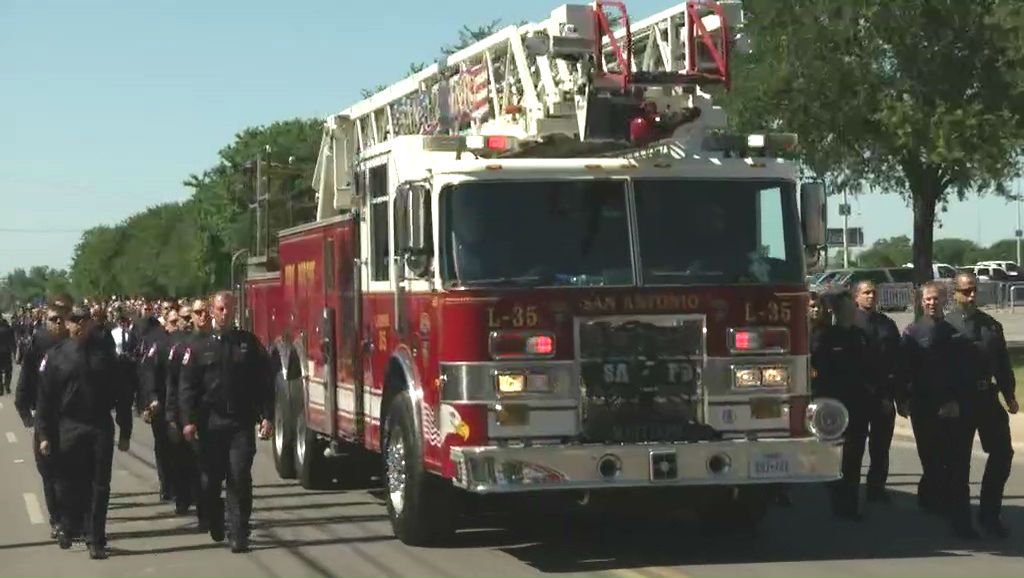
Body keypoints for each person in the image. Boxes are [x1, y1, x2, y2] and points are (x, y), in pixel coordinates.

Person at [36, 306, 133, 559]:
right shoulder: (56, 356)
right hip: (68, 425)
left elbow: (122, 392)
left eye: (84, 320)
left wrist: (125, 429)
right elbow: (45, 399)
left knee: (100, 485)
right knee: (69, 483)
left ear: (90, 323)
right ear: (67, 324)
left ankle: (95, 538)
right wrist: (44, 435)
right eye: (74, 321)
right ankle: (69, 525)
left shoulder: (105, 352)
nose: (79, 325)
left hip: (99, 424)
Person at [180, 291, 274, 553]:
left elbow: (264, 382)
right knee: (210, 481)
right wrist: (188, 420)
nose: (224, 314)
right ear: (212, 311)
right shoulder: (198, 347)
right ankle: (214, 516)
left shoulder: (247, 344)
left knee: (239, 475)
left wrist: (267, 415)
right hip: (210, 423)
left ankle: (239, 531)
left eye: (229, 309)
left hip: (240, 422)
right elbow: (187, 387)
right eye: (220, 309)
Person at [902, 281, 976, 539]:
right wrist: (903, 399)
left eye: (936, 299)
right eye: (927, 299)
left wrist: (956, 400)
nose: (932, 303)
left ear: (944, 301)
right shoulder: (912, 332)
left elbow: (961, 370)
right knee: (931, 458)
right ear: (921, 302)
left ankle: (951, 511)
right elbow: (906, 370)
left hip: (951, 405)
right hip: (923, 406)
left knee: (951, 461)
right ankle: (929, 497)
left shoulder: (954, 331)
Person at [947, 272, 1017, 538]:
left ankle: (989, 513)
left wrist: (1009, 395)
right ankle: (961, 520)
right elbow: (938, 370)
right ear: (954, 293)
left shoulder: (991, 325)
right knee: (959, 462)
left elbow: (1002, 363)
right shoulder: (947, 327)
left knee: (1003, 453)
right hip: (959, 401)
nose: (971, 295)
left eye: (974, 289)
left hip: (987, 397)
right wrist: (946, 400)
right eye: (965, 291)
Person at [811, 289, 871, 520]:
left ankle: (851, 505)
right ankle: (838, 497)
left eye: (851, 308)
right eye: (845, 309)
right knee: (836, 456)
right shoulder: (824, 337)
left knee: (855, 456)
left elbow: (869, 367)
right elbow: (816, 370)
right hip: (834, 405)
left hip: (858, 403)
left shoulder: (859, 336)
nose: (850, 312)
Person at [15, 305, 69, 539]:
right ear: (45, 322)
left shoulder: (77, 346)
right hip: (46, 419)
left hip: (73, 418)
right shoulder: (37, 348)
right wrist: (27, 415)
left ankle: (76, 519)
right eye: (53, 319)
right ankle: (57, 519)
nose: (58, 323)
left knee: (75, 472)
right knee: (50, 473)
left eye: (62, 319)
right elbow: (25, 384)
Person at [851, 281, 902, 503]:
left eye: (873, 292)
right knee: (854, 448)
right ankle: (850, 490)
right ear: (856, 297)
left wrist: (895, 396)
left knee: (881, 447)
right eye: (866, 293)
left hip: (883, 396)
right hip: (858, 396)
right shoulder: (848, 325)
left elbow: (898, 361)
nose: (871, 296)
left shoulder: (886, 324)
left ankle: (877, 488)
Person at [167, 301, 205, 524]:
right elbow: (172, 384)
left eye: (194, 316)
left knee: (204, 465)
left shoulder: (207, 343)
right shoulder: (176, 349)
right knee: (183, 460)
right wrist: (172, 415)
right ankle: (182, 498)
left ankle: (204, 510)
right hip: (182, 414)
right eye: (186, 317)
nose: (190, 320)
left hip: (204, 413)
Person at [140, 309, 181, 504]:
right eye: (172, 322)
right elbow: (148, 373)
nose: (177, 325)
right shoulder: (159, 346)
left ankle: (185, 489)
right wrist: (152, 399)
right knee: (164, 446)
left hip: (185, 403)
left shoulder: (193, 344)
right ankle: (167, 485)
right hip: (162, 403)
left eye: (179, 321)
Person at [0, 315, 15, 395]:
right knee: (8, 370)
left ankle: (0, 389)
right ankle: (7, 386)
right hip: (7, 352)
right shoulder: (9, 329)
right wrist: (14, 352)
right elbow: (13, 341)